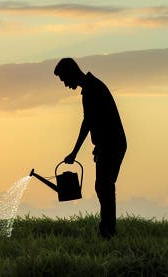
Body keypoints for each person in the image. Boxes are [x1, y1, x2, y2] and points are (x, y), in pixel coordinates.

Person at [55, 57, 127, 239]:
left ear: (71, 73)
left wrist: (74, 152)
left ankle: (108, 232)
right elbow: (92, 121)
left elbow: (87, 123)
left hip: (112, 143)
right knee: (103, 186)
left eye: (64, 79)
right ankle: (107, 230)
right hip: (109, 143)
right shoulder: (91, 86)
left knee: (104, 186)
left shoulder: (92, 89)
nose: (65, 84)